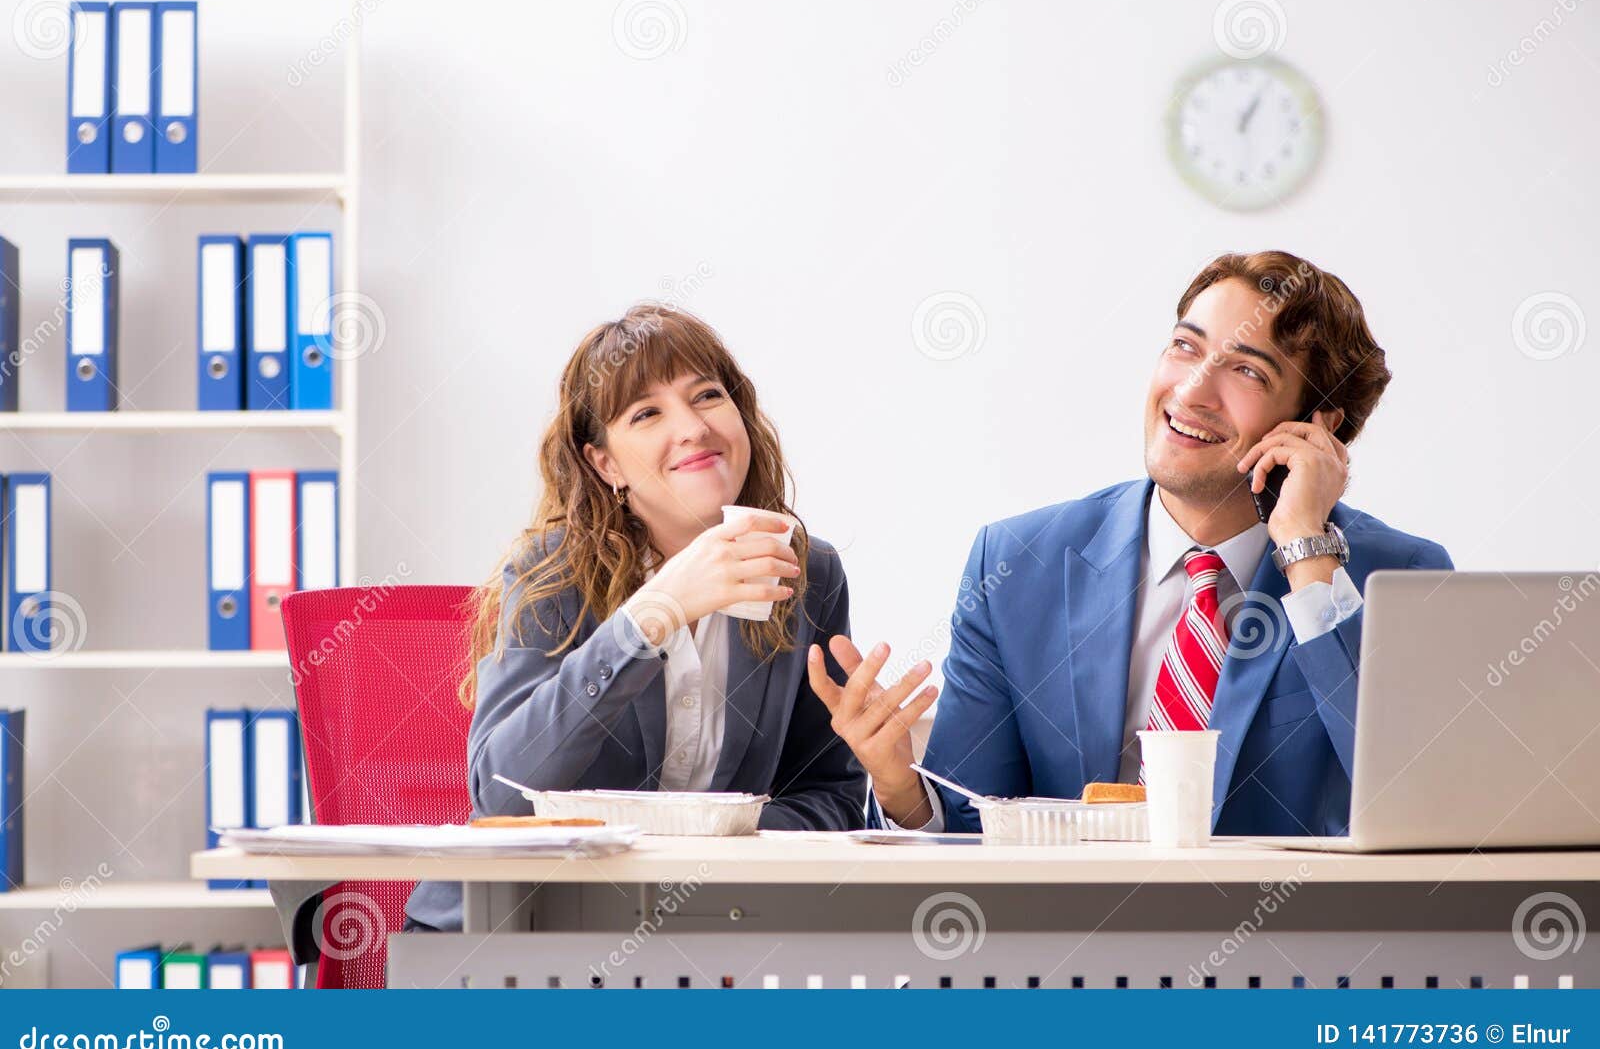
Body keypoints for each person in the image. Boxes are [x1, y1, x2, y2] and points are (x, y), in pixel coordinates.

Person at [813, 251, 1452, 836]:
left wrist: (1308, 553)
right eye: (1185, 347)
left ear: (1317, 425)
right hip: (1075, 927)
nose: (1192, 391)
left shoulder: (1400, 577)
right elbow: (972, 825)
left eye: (1247, 371)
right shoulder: (1018, 563)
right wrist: (899, 787)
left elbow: (1418, 803)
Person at [407, 305, 866, 931]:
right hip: (521, 928)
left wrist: (707, 841)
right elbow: (503, 794)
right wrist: (651, 615)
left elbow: (832, 796)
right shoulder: (550, 573)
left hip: (700, 930)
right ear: (606, 464)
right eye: (647, 414)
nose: (694, 428)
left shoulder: (807, 573)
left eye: (708, 396)